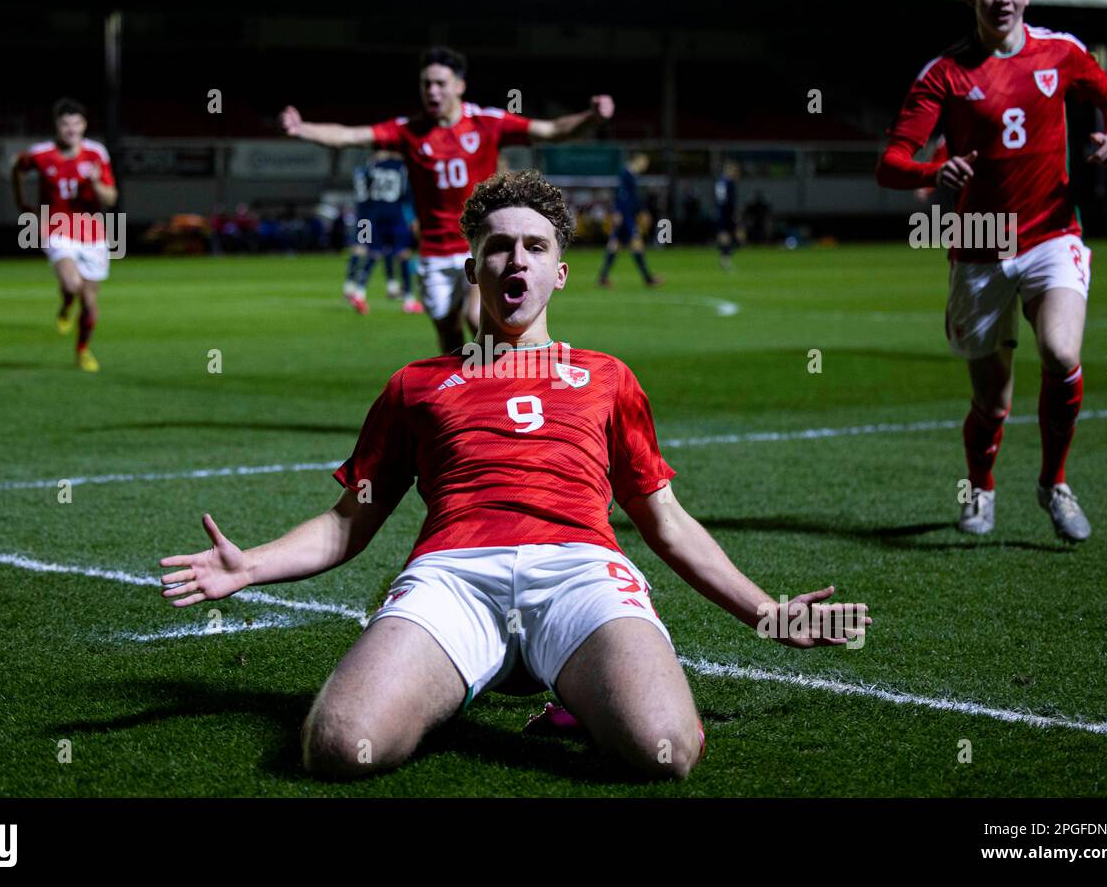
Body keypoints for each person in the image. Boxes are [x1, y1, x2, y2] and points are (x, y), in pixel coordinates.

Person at [158, 169, 870, 779]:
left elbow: (668, 523)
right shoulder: (417, 383)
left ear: (560, 270)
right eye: (498, 247)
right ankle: (467, 673)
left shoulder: (607, 377)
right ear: (473, 269)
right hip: (455, 576)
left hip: (581, 573)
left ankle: (570, 688)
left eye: (535, 247)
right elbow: (349, 523)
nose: (516, 263)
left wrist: (767, 612)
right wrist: (249, 566)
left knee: (663, 753)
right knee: (342, 747)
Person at [876, 0, 1107, 542]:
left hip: (1051, 233)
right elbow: (890, 163)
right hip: (980, 246)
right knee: (992, 399)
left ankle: (1054, 484)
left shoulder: (1061, 53)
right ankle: (981, 490)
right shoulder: (944, 74)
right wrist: (935, 171)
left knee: (1063, 355)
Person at [281, 45, 614, 353]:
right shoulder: (408, 131)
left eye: (440, 83)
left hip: (479, 243)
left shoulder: (487, 122)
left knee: (477, 317)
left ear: (459, 86)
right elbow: (351, 136)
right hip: (434, 253)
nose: (432, 91)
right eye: (426, 84)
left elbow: (552, 130)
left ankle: (507, 392)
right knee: (449, 334)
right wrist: (302, 129)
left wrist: (592, 118)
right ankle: (460, 399)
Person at [12, 98, 119, 372]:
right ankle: (67, 299)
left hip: (93, 233)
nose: (70, 129)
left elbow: (111, 197)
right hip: (57, 228)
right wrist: (21, 202)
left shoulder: (96, 153)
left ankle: (82, 349)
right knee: (73, 283)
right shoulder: (41, 153)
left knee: (89, 302)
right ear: (56, 127)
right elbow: (17, 168)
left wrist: (95, 183)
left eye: (75, 123)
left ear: (84, 125)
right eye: (64, 124)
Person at [346, 150, 421, 314]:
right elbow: (406, 193)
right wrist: (413, 218)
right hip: (393, 215)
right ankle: (407, 298)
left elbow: (363, 192)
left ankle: (359, 290)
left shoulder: (370, 167)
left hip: (369, 216)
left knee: (370, 251)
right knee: (402, 253)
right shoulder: (401, 167)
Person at [597, 152, 661, 287]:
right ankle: (648, 279)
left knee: (615, 245)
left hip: (627, 215)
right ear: (638, 159)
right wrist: (619, 212)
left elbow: (631, 197)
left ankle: (603, 278)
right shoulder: (627, 174)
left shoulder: (630, 174)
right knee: (635, 243)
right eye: (644, 161)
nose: (646, 165)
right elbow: (623, 195)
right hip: (625, 216)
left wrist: (639, 211)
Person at [714, 160, 742, 271]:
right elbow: (728, 200)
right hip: (726, 212)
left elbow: (720, 199)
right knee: (730, 235)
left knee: (724, 235)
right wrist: (734, 213)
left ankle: (724, 258)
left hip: (721, 211)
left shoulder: (721, 181)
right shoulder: (728, 182)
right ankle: (725, 258)